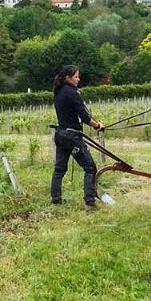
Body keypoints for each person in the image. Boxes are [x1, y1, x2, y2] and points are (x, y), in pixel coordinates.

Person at [51, 65, 104, 208]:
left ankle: (56, 199)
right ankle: (90, 202)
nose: (78, 79)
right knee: (90, 167)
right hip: (71, 137)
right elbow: (85, 117)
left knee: (59, 169)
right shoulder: (72, 93)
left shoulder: (58, 91)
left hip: (60, 134)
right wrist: (98, 125)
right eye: (76, 77)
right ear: (68, 78)